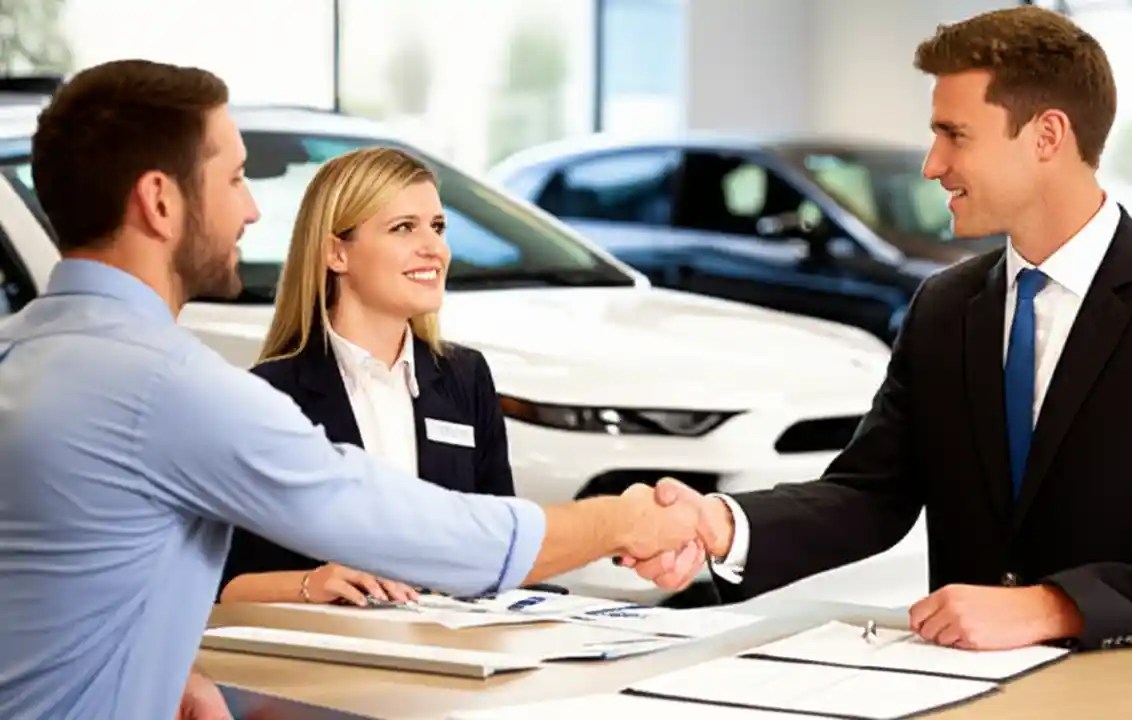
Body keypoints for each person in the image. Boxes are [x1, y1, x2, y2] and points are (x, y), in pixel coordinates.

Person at [0, 59, 703, 720]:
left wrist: (165, 668)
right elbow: (425, 533)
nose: (252, 210)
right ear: (160, 200)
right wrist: (623, 520)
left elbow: (66, 580)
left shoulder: (22, 354)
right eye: (236, 179)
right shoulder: (170, 389)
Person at [624, 5, 1132, 653]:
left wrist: (1057, 607)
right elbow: (871, 493)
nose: (932, 164)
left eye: (955, 135)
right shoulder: (945, 306)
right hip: (962, 685)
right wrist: (722, 525)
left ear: (1047, 136)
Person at [217, 146, 530, 606]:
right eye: (404, 227)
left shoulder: (466, 377)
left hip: (452, 641)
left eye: (437, 227)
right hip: (327, 648)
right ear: (336, 253)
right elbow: (222, 581)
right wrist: (312, 584)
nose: (435, 248)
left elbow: (503, 550)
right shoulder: (269, 394)